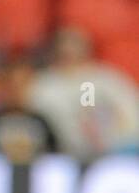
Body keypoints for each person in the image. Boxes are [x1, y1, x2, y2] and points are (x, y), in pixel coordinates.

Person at [29, 28, 139, 161]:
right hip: (57, 154)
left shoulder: (104, 79)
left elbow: (130, 112)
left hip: (110, 153)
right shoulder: (43, 85)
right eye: (64, 48)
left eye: (74, 47)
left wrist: (114, 138)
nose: (69, 52)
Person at [0, 56, 58, 163]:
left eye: (22, 84)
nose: (17, 90)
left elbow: (53, 160)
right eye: (12, 84)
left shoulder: (42, 123)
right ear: (2, 85)